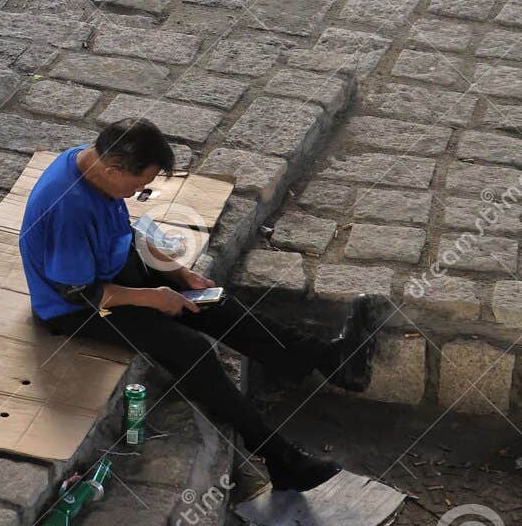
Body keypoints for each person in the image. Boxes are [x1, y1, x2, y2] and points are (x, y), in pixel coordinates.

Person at [19, 118, 375, 492]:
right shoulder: (68, 208)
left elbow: (127, 232)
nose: (142, 189)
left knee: (214, 303)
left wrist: (177, 274)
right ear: (113, 170)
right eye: (140, 182)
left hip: (112, 270)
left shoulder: (94, 168)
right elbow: (78, 292)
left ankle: (326, 359)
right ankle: (278, 457)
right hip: (76, 310)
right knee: (191, 349)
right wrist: (153, 299)